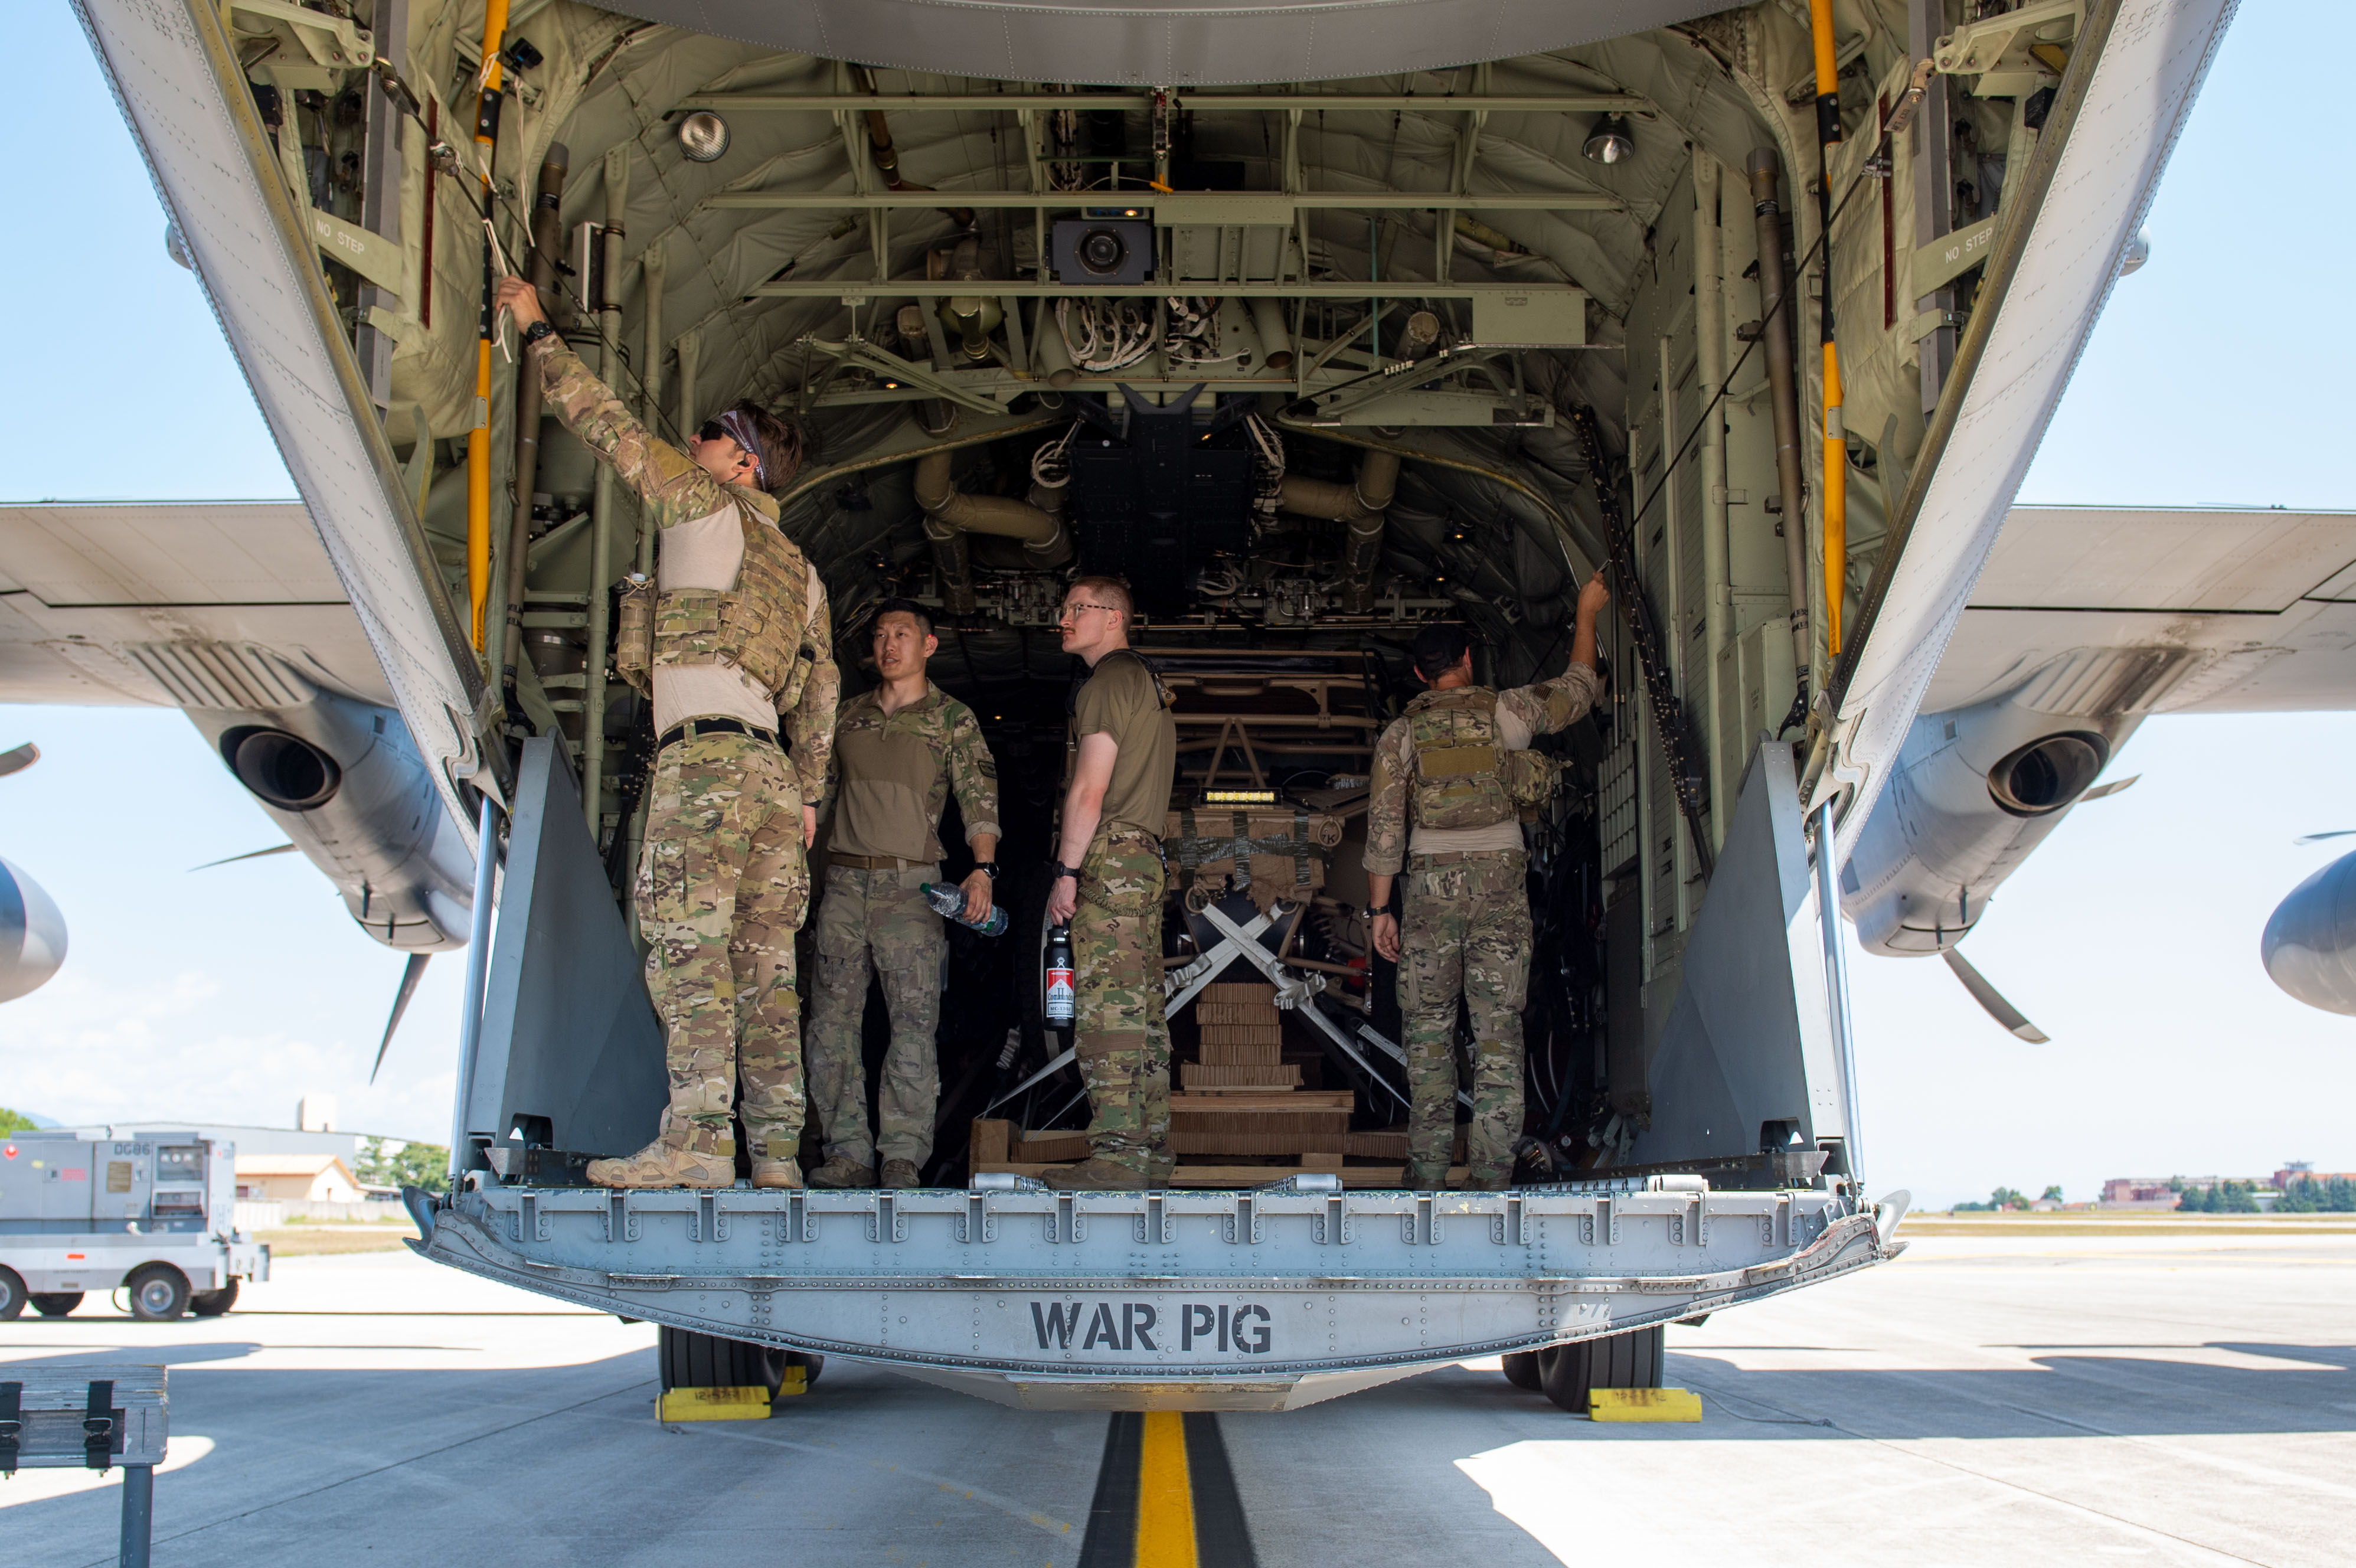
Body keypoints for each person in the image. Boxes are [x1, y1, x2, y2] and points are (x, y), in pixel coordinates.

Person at [495, 275, 838, 1191]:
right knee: (766, 973)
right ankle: (776, 1156)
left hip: (709, 764)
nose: (693, 441)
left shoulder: (700, 503)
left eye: (712, 434)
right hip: (771, 778)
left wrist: (537, 329)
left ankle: (697, 1144)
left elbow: (604, 424)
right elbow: (822, 690)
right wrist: (808, 795)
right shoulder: (803, 574)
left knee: (689, 951)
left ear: (742, 464)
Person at [1364, 575, 1612, 1191]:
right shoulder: (1507, 712)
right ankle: (1491, 1184)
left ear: (1419, 676)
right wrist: (1586, 611)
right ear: (1468, 661)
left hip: (1429, 894)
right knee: (1498, 1038)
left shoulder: (1399, 737)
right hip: (1499, 888)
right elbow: (1580, 688)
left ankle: (1425, 1182)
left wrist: (1379, 913)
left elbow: (1384, 832)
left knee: (1428, 1041)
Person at [804, 599, 1002, 1191]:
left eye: (902, 634)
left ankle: (901, 1156)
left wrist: (983, 869)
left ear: (928, 645)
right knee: (831, 1025)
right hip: (843, 885)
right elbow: (816, 801)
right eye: (880, 635)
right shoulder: (847, 716)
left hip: (911, 888)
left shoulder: (951, 719)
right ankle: (846, 1152)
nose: (889, 645)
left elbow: (978, 799)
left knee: (912, 1026)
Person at [1042, 576, 1178, 1190]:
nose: (1064, 618)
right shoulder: (1144, 681)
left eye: (1078, 608)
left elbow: (1089, 790)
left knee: (1107, 1011)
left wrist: (1066, 873)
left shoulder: (1104, 684)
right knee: (1142, 1011)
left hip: (1110, 857)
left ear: (1114, 617)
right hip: (1143, 858)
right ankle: (1149, 1152)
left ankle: (1118, 1156)